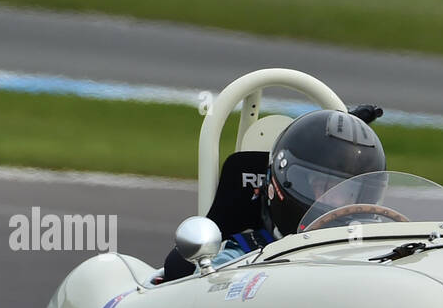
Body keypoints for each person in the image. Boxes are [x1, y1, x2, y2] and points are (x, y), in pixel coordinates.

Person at [159, 105, 385, 282]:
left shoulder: (370, 256)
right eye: (322, 185)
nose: (331, 200)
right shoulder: (239, 256)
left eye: (346, 191)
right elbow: (206, 288)